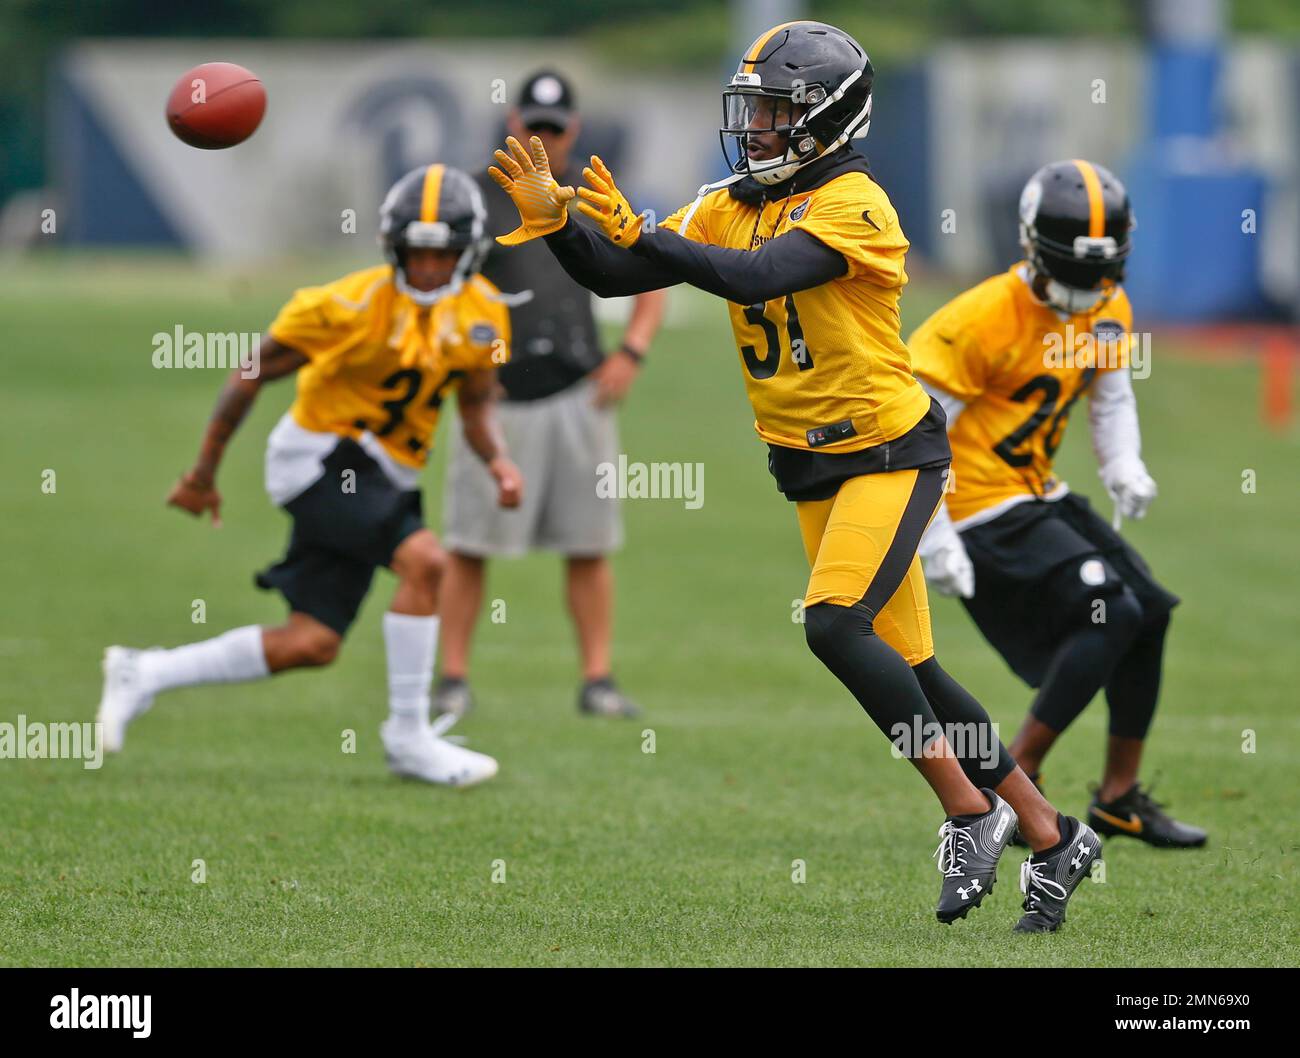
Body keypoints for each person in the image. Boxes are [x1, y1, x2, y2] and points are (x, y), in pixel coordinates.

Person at [488, 21, 1102, 931]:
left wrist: (650, 237)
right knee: (916, 670)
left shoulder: (857, 202)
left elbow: (753, 278)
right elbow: (618, 275)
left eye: (777, 111)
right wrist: (562, 228)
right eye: (756, 110)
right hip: (810, 463)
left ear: (828, 117)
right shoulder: (731, 199)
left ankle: (972, 812)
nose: (760, 127)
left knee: (832, 627)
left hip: (888, 451)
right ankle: (1054, 837)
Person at [95, 163, 522, 788]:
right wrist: (203, 471)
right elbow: (250, 370)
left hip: (387, 474)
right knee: (428, 563)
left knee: (312, 643)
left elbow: (478, 400)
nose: (429, 268)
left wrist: (499, 460)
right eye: (416, 253)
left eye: (444, 254)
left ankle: (145, 672)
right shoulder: (344, 305)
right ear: (392, 248)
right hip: (318, 458)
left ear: (468, 253)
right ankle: (408, 736)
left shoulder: (486, 315)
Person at [908, 159, 1207, 848]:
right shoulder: (980, 317)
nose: (1085, 291)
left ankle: (1117, 798)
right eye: (1071, 272)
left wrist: (1124, 464)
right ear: (1032, 248)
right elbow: (913, 433)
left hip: (1038, 492)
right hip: (978, 504)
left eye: (1097, 275)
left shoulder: (1107, 305)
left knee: (1151, 614)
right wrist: (933, 531)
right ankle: (1016, 781)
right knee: (1112, 612)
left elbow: (1110, 395)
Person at [435, 70, 666, 720]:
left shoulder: (593, 197)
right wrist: (460, 370)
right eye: (530, 126)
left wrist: (632, 352)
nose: (541, 138)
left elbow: (654, 273)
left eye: (553, 128)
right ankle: (452, 677)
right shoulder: (474, 199)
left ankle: (597, 680)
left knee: (589, 545)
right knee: (470, 543)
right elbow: (438, 289)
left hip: (576, 393)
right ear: (512, 125)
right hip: (494, 398)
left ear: (572, 130)